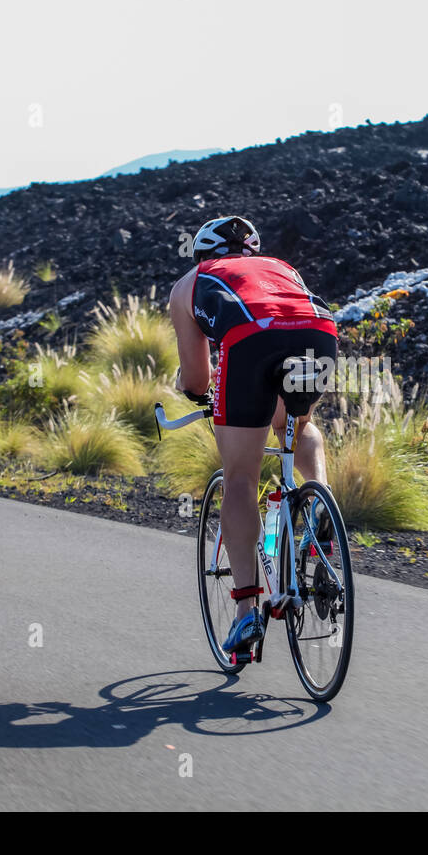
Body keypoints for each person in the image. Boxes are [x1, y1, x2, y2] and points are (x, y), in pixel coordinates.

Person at [168, 216, 338, 656]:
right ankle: (319, 497)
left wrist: (195, 393)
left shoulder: (191, 282)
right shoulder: (282, 267)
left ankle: (246, 615)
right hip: (318, 332)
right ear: (251, 251)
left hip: (250, 340)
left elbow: (197, 379)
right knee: (295, 425)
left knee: (240, 479)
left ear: (202, 254)